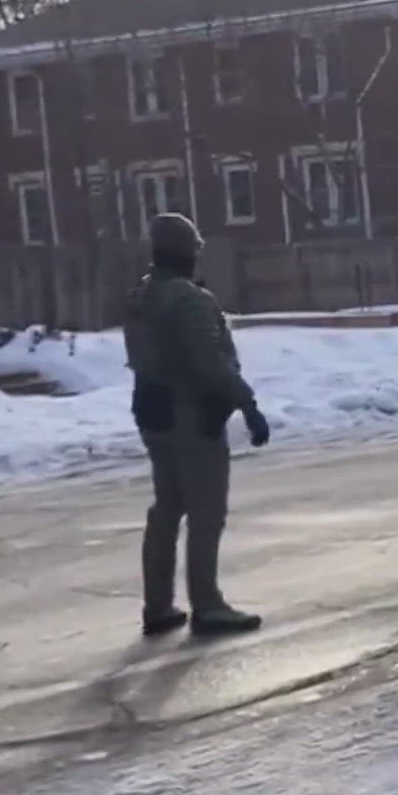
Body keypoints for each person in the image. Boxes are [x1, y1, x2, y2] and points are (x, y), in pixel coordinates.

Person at [122, 212, 269, 634]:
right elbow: (209, 362)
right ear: (188, 251)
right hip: (190, 412)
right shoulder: (189, 299)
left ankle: (158, 605)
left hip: (152, 409)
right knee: (206, 511)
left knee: (167, 507)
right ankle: (207, 603)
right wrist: (247, 404)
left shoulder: (141, 295)